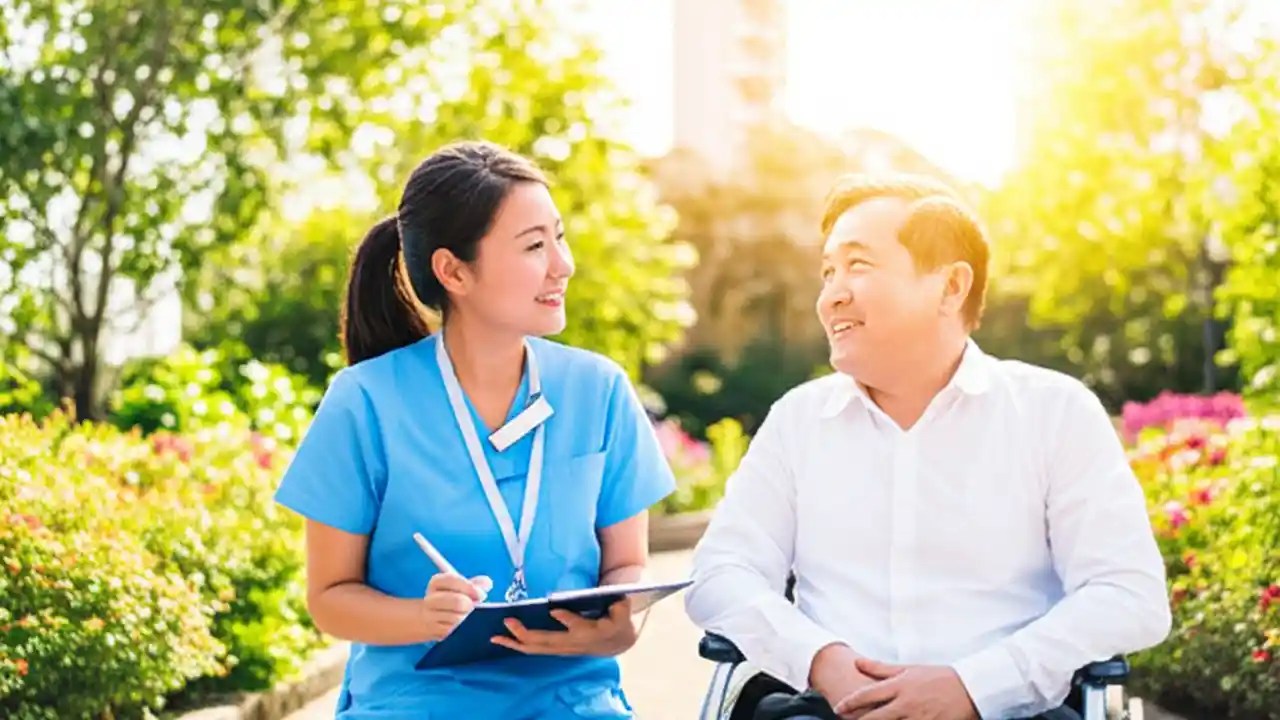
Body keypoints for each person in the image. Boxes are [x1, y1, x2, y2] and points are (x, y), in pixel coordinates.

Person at [684, 174, 1172, 720]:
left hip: (1008, 713)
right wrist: (822, 660)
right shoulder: (798, 421)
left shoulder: (1054, 412)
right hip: (832, 711)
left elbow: (1130, 595)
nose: (831, 295)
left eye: (859, 265)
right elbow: (722, 574)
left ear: (951, 287)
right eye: (828, 271)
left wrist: (972, 687)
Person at [274, 140, 676, 719]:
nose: (563, 264)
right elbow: (330, 599)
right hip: (416, 704)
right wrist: (421, 617)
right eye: (535, 246)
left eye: (558, 238)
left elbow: (626, 567)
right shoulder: (365, 403)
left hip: (573, 702)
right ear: (453, 270)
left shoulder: (599, 391)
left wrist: (617, 630)